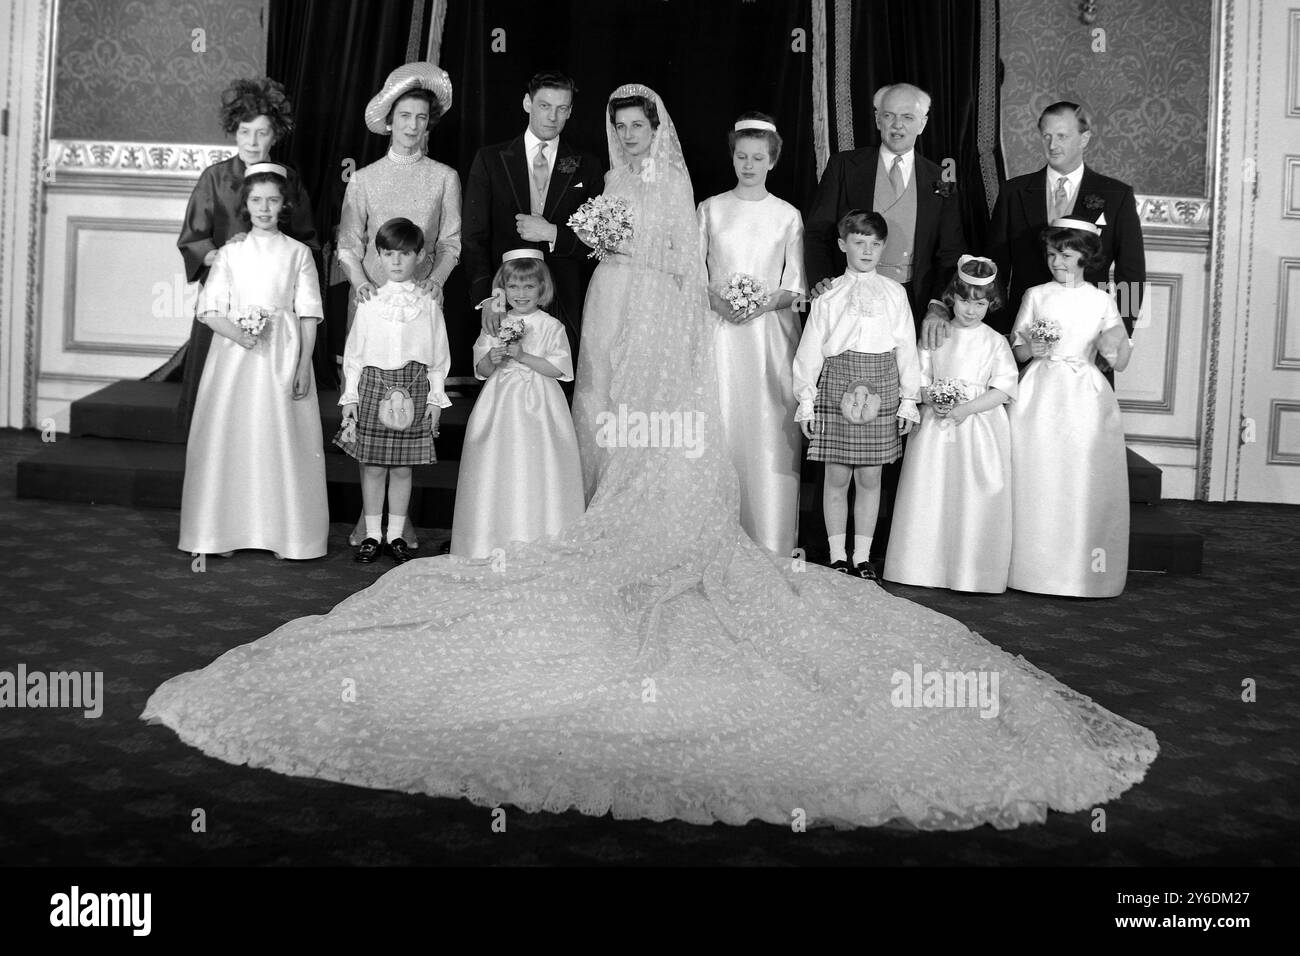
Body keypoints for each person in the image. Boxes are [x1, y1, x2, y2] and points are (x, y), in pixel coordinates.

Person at [143, 88, 1157, 832]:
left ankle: (652, 509)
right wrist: (588, 236)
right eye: (619, 129)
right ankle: (582, 506)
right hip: (607, 307)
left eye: (638, 129)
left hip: (658, 315)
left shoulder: (676, 188)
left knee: (649, 423)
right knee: (595, 408)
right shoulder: (601, 179)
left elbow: (687, 268)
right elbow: (577, 246)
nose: (629, 138)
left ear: (656, 133)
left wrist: (644, 260)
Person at [337, 62, 461, 551]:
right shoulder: (364, 179)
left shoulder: (444, 177)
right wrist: (360, 282)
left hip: (420, 303)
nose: (412, 126)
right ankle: (370, 525)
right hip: (371, 300)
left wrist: (434, 281)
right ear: (389, 120)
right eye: (404, 116)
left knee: (409, 409)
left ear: (430, 124)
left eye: (421, 118)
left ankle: (399, 525)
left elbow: (450, 242)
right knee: (369, 407)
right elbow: (348, 241)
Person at [178, 163, 328, 560]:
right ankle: (220, 532)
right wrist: (241, 334)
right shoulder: (230, 254)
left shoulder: (298, 254)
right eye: (256, 200)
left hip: (282, 356)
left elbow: (309, 313)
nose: (264, 208)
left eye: (273, 201)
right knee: (234, 437)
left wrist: (302, 365)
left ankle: (286, 534)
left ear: (284, 205)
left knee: (279, 440)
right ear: (246, 204)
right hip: (234, 361)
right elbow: (210, 310)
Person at [923, 101, 1145, 366]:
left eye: (1062, 136)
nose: (1052, 145)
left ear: (1084, 138)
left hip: (1088, 336)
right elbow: (997, 267)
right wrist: (1000, 331)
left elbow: (1130, 274)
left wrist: (1121, 333)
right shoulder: (1014, 193)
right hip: (1026, 333)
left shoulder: (1116, 196)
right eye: (1047, 136)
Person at [157, 77, 319, 436]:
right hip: (224, 296)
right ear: (234, 133)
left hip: (273, 301)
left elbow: (306, 238)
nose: (253, 142)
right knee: (216, 393)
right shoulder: (214, 178)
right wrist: (225, 255)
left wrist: (269, 249)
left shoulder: (289, 180)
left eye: (262, 133)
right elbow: (193, 237)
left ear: (275, 135)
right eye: (245, 132)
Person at [697, 112, 805, 557]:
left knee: (764, 427)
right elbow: (692, 271)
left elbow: (795, 282)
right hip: (718, 330)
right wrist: (721, 302)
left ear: (772, 161)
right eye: (742, 156)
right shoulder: (711, 208)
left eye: (758, 158)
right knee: (717, 422)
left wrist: (760, 304)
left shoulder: (787, 215)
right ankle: (708, 535)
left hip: (767, 335)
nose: (748, 165)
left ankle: (770, 536)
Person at [1008, 219, 1132, 597]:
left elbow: (1118, 355)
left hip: (1083, 393)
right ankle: (1029, 568)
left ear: (1085, 256)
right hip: (1039, 392)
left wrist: (1114, 346)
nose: (1056, 262)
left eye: (1065, 254)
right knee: (1036, 475)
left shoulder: (1102, 300)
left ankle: (1081, 569)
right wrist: (1031, 349)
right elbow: (1016, 347)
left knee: (1079, 477)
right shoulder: (1036, 295)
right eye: (1051, 254)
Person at [793, 211, 919, 578]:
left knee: (870, 477)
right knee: (835, 477)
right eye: (859, 243)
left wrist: (909, 399)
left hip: (882, 383)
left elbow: (907, 348)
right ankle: (836, 556)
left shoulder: (894, 292)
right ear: (842, 244)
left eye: (875, 244)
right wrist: (806, 399)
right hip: (836, 383)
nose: (867, 251)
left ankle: (862, 557)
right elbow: (811, 348)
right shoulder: (829, 293)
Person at [883, 257, 1017, 592]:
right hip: (936, 427)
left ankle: (972, 571)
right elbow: (918, 378)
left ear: (991, 304)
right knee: (932, 490)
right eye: (964, 300)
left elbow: (1003, 389)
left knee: (971, 494)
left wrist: (967, 408)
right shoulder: (937, 335)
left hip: (978, 428)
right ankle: (919, 566)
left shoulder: (994, 341)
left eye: (980, 303)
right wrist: (933, 397)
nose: (971, 310)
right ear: (951, 298)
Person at [450, 250, 582, 559]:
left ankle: (540, 535)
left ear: (541, 289)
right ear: (502, 290)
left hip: (540, 408)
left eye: (528, 287)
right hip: (500, 405)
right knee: (500, 466)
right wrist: (491, 359)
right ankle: (487, 539)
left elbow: (560, 369)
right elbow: (480, 371)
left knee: (536, 466)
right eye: (513, 287)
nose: (520, 294)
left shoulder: (551, 326)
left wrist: (524, 356)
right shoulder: (495, 325)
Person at [335, 218, 452, 565]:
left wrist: (436, 398)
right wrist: (351, 398)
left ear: (419, 256)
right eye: (388, 254)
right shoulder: (369, 301)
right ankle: (372, 535)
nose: (396, 262)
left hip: (415, 388)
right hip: (374, 385)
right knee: (372, 466)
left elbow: (439, 357)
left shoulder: (428, 302)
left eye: (404, 254)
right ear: (380, 257)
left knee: (402, 468)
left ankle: (396, 535)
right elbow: (355, 355)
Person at [463, 71, 604, 358]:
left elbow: (597, 246)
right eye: (544, 106)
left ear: (570, 111)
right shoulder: (490, 159)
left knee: (558, 390)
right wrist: (488, 298)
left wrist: (552, 233)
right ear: (527, 103)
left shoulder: (587, 165)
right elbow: (474, 237)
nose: (553, 116)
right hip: (506, 297)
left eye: (562, 108)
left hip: (563, 300)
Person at [804, 82, 964, 330]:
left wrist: (938, 306)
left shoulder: (941, 179)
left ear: (922, 124)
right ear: (878, 120)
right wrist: (822, 282)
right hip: (848, 298)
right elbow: (818, 231)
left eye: (908, 117)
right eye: (889, 116)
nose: (897, 125)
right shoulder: (843, 166)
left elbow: (950, 253)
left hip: (913, 301)